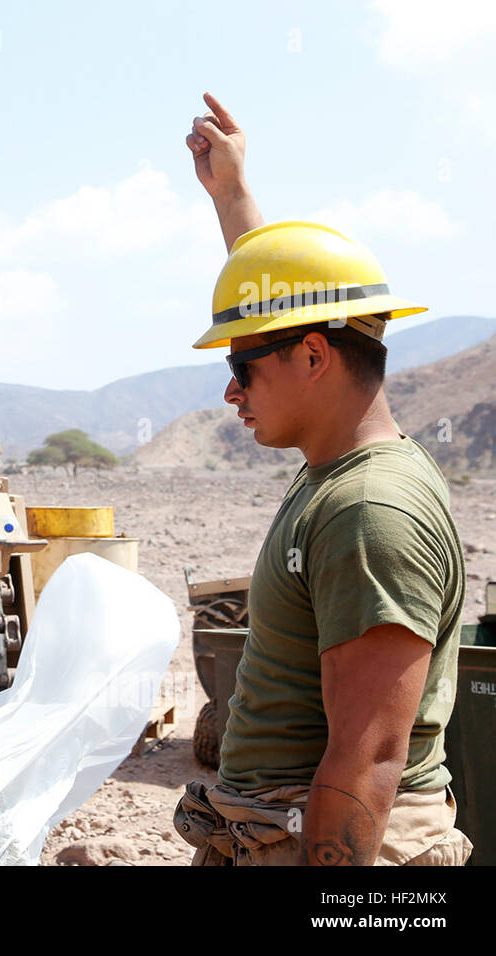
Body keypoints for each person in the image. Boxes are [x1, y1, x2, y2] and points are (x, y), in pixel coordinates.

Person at [172, 93, 472, 866]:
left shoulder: (370, 510)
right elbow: (282, 301)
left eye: (242, 369)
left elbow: (368, 758)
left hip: (334, 845)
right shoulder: (337, 469)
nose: (231, 390)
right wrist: (232, 196)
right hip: (280, 831)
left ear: (313, 359)